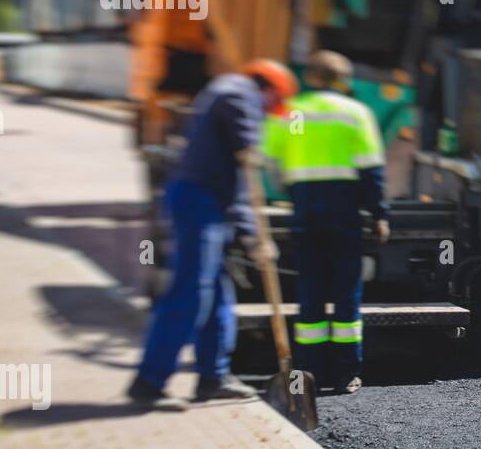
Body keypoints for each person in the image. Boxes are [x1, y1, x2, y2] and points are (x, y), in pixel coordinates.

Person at [128, 60, 297, 408]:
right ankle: (149, 382)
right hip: (198, 200)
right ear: (267, 89)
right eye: (271, 104)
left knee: (220, 292)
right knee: (191, 291)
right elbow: (245, 157)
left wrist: (252, 235)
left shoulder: (231, 92)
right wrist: (251, 143)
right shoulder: (237, 91)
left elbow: (238, 183)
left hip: (211, 201)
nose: (268, 113)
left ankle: (213, 377)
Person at [263, 51, 389, 394]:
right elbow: (371, 169)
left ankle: (309, 373)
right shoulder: (355, 113)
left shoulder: (291, 112)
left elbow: (269, 158)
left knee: (310, 292)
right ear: (343, 81)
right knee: (347, 294)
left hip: (305, 211)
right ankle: (346, 373)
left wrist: (285, 189)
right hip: (344, 212)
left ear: (312, 77)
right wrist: (379, 213)